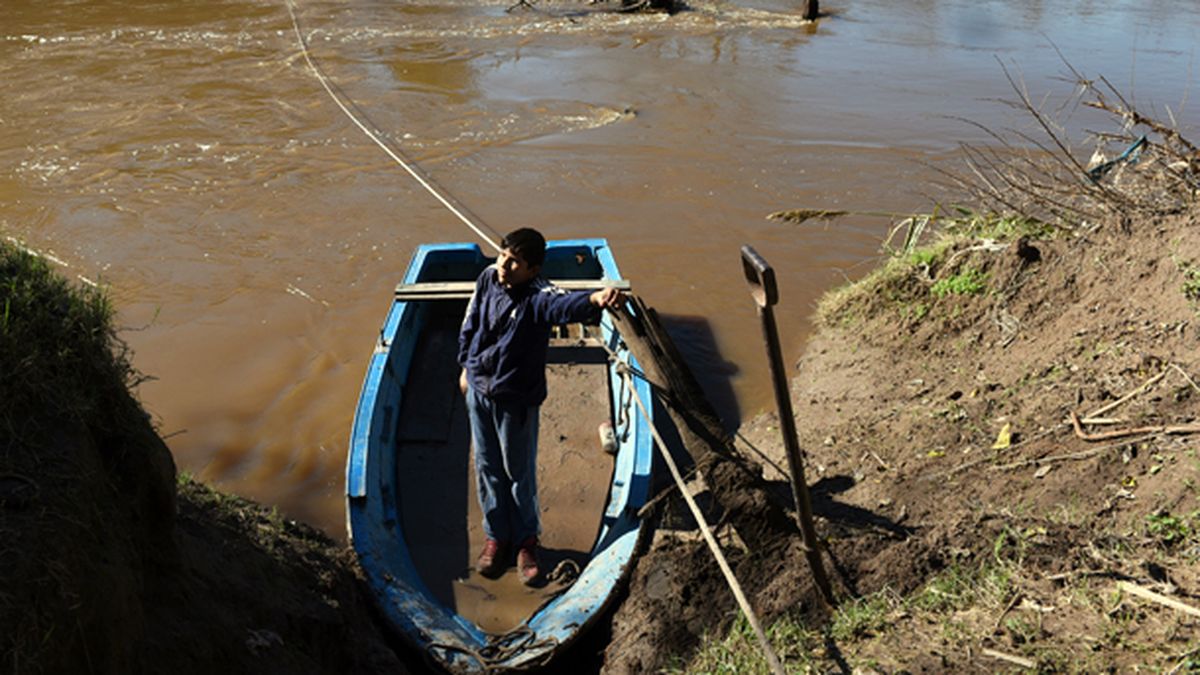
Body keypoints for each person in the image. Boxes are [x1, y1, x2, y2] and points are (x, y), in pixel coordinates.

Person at [457, 228, 624, 585]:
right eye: (503, 255)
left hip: (515, 398)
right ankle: (496, 536)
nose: (505, 265)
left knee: (519, 473)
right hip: (479, 391)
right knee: (486, 467)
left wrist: (595, 299)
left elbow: (562, 305)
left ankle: (526, 542)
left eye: (515, 261)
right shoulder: (487, 278)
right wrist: (465, 368)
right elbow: (471, 325)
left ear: (533, 270)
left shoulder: (538, 296)